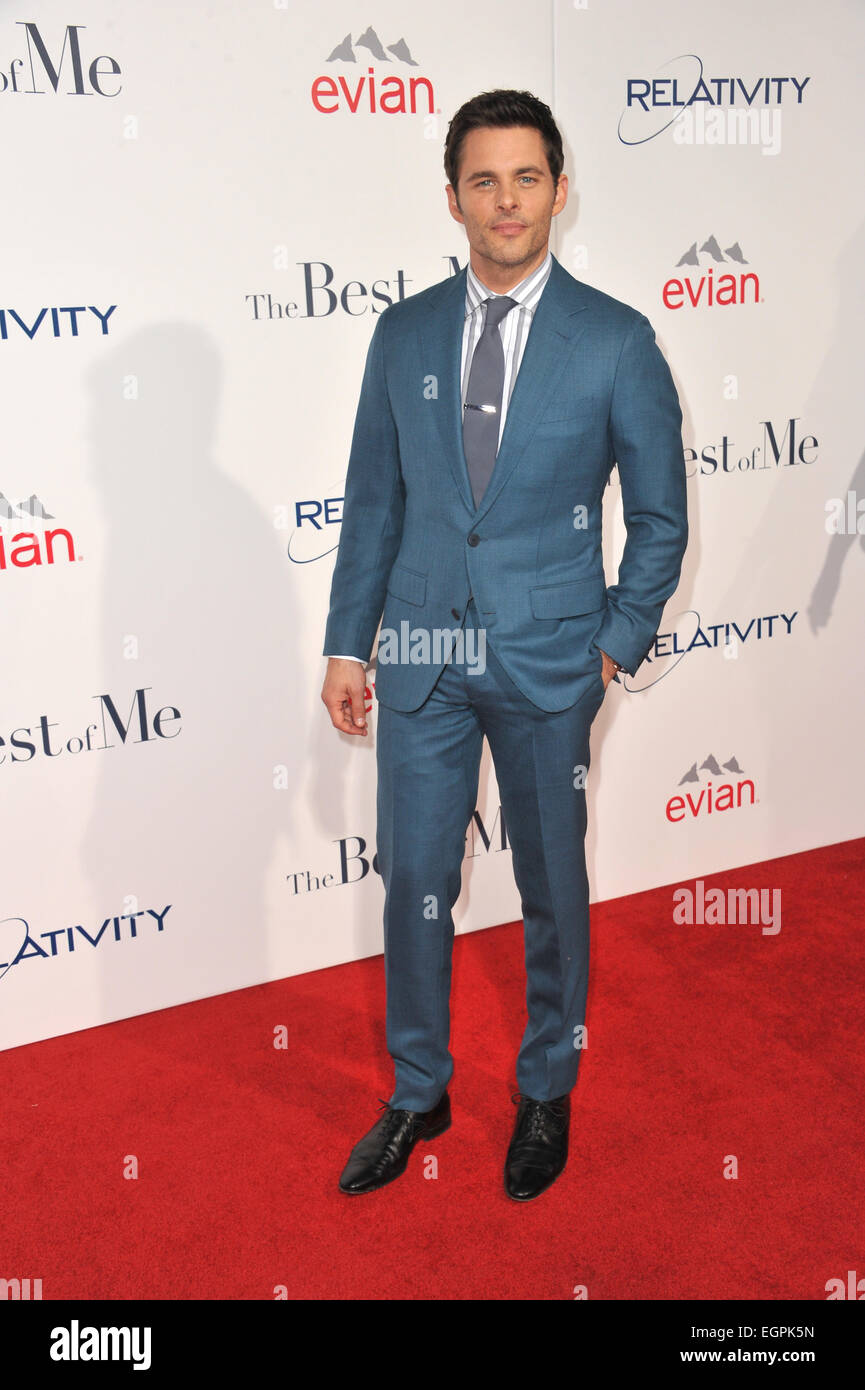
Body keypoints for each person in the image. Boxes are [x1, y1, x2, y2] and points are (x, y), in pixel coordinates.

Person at [321, 89, 688, 1201]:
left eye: (526, 176)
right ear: (453, 200)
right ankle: (419, 1088)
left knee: (548, 888)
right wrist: (349, 643)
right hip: (422, 647)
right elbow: (373, 502)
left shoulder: (616, 340)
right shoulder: (403, 332)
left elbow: (661, 519)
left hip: (550, 663)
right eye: (483, 180)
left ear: (559, 189)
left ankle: (544, 1088)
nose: (506, 199)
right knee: (417, 877)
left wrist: (614, 645)